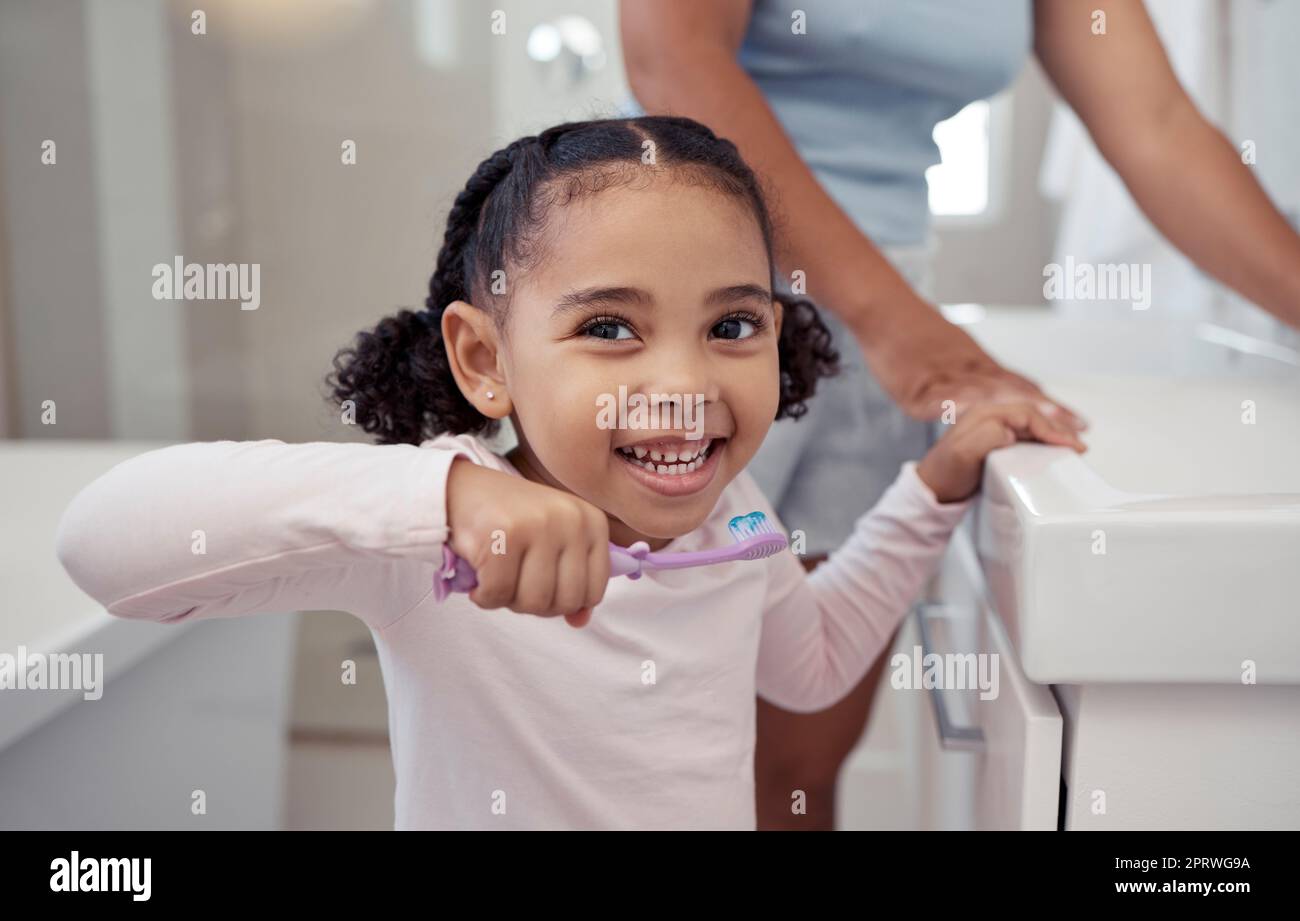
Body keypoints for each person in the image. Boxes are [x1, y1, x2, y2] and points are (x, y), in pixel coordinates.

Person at [54, 116, 1084, 829]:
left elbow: (805, 666)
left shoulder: (731, 510)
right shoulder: (440, 534)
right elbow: (103, 541)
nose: (684, 381)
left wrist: (934, 487)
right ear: (486, 361)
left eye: (731, 324)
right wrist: (441, 499)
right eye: (607, 327)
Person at [620, 0, 1300, 829]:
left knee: (800, 762)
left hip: (878, 311)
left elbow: (1158, 127)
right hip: (692, 305)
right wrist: (896, 325)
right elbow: (671, 59)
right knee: (645, 752)